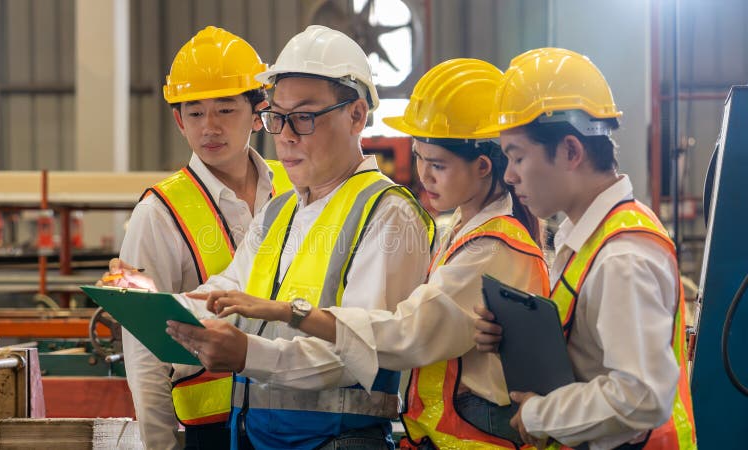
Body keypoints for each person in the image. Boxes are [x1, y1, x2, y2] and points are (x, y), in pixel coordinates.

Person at [112, 25, 434, 449]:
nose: (285, 135)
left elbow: (361, 353)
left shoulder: (386, 214)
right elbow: (224, 294)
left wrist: (248, 355)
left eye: (304, 117)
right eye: (278, 118)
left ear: (357, 115)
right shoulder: (280, 211)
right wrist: (146, 307)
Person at [206, 58, 551, 450]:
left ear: (484, 166)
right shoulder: (460, 232)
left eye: (437, 164)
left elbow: (404, 333)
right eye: (419, 158)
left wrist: (290, 312)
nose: (424, 175)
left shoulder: (485, 245)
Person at [472, 48, 697, 449]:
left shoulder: (622, 257)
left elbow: (642, 396)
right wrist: (510, 337)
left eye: (517, 156)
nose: (509, 175)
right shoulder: (587, 238)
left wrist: (541, 413)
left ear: (571, 152)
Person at [113, 26, 291, 450]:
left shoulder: (293, 190)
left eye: (225, 110)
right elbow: (142, 349)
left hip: (298, 421)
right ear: (179, 120)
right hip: (213, 430)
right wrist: (160, 444)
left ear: (257, 110)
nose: (209, 127)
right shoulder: (156, 213)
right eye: (195, 112)